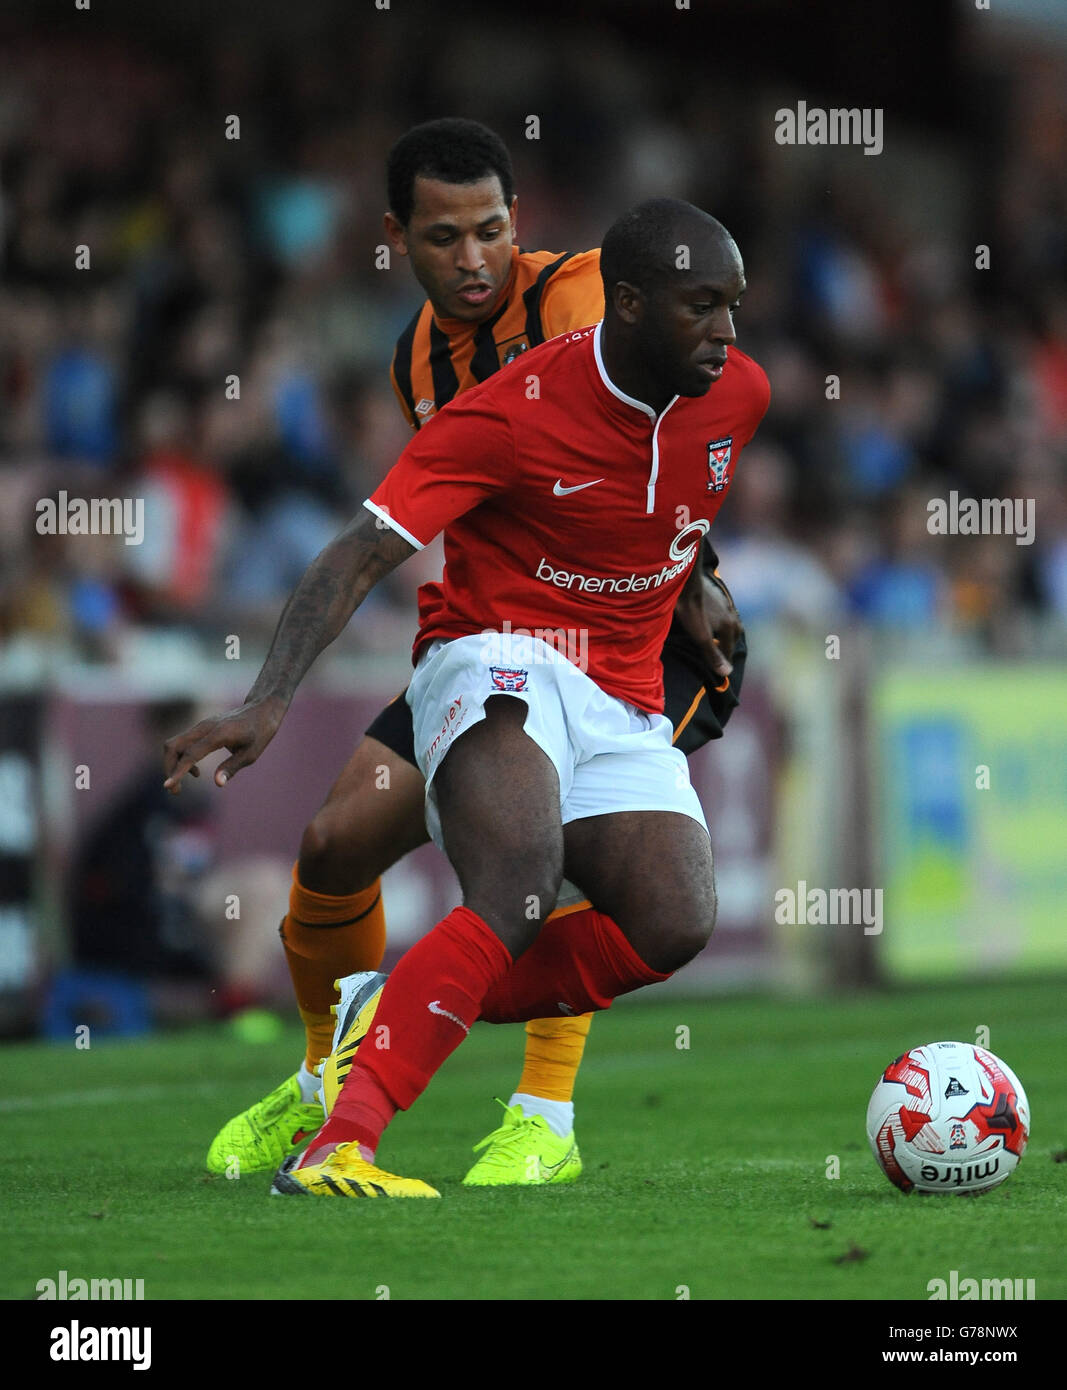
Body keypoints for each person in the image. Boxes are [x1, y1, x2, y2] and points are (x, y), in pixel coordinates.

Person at [164, 196, 770, 1199]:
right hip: (494, 658)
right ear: (624, 305)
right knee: (513, 878)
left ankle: (381, 1010)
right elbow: (362, 550)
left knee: (672, 919)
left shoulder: (735, 394)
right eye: (700, 306)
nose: (726, 331)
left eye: (732, 305)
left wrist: (693, 581)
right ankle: (340, 1144)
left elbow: (659, 498)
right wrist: (268, 699)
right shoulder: (506, 411)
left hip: (617, 689)